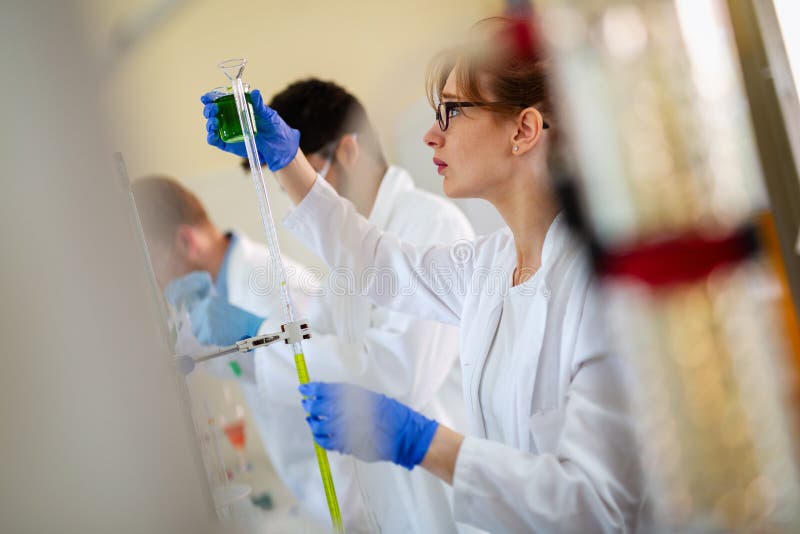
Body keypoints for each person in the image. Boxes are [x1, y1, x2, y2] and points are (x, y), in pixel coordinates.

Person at [200, 17, 645, 533]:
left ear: (524, 130)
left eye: (452, 112)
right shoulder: (488, 266)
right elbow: (378, 263)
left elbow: (593, 506)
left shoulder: (601, 291)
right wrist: (289, 162)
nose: (432, 135)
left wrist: (423, 441)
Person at [145, 80, 480, 533]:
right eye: (285, 178)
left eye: (299, 172)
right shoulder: (351, 251)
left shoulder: (430, 223)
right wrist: (242, 338)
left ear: (346, 151)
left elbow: (397, 374)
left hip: (441, 494)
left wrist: (253, 334)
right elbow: (314, 336)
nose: (294, 192)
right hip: (389, 494)